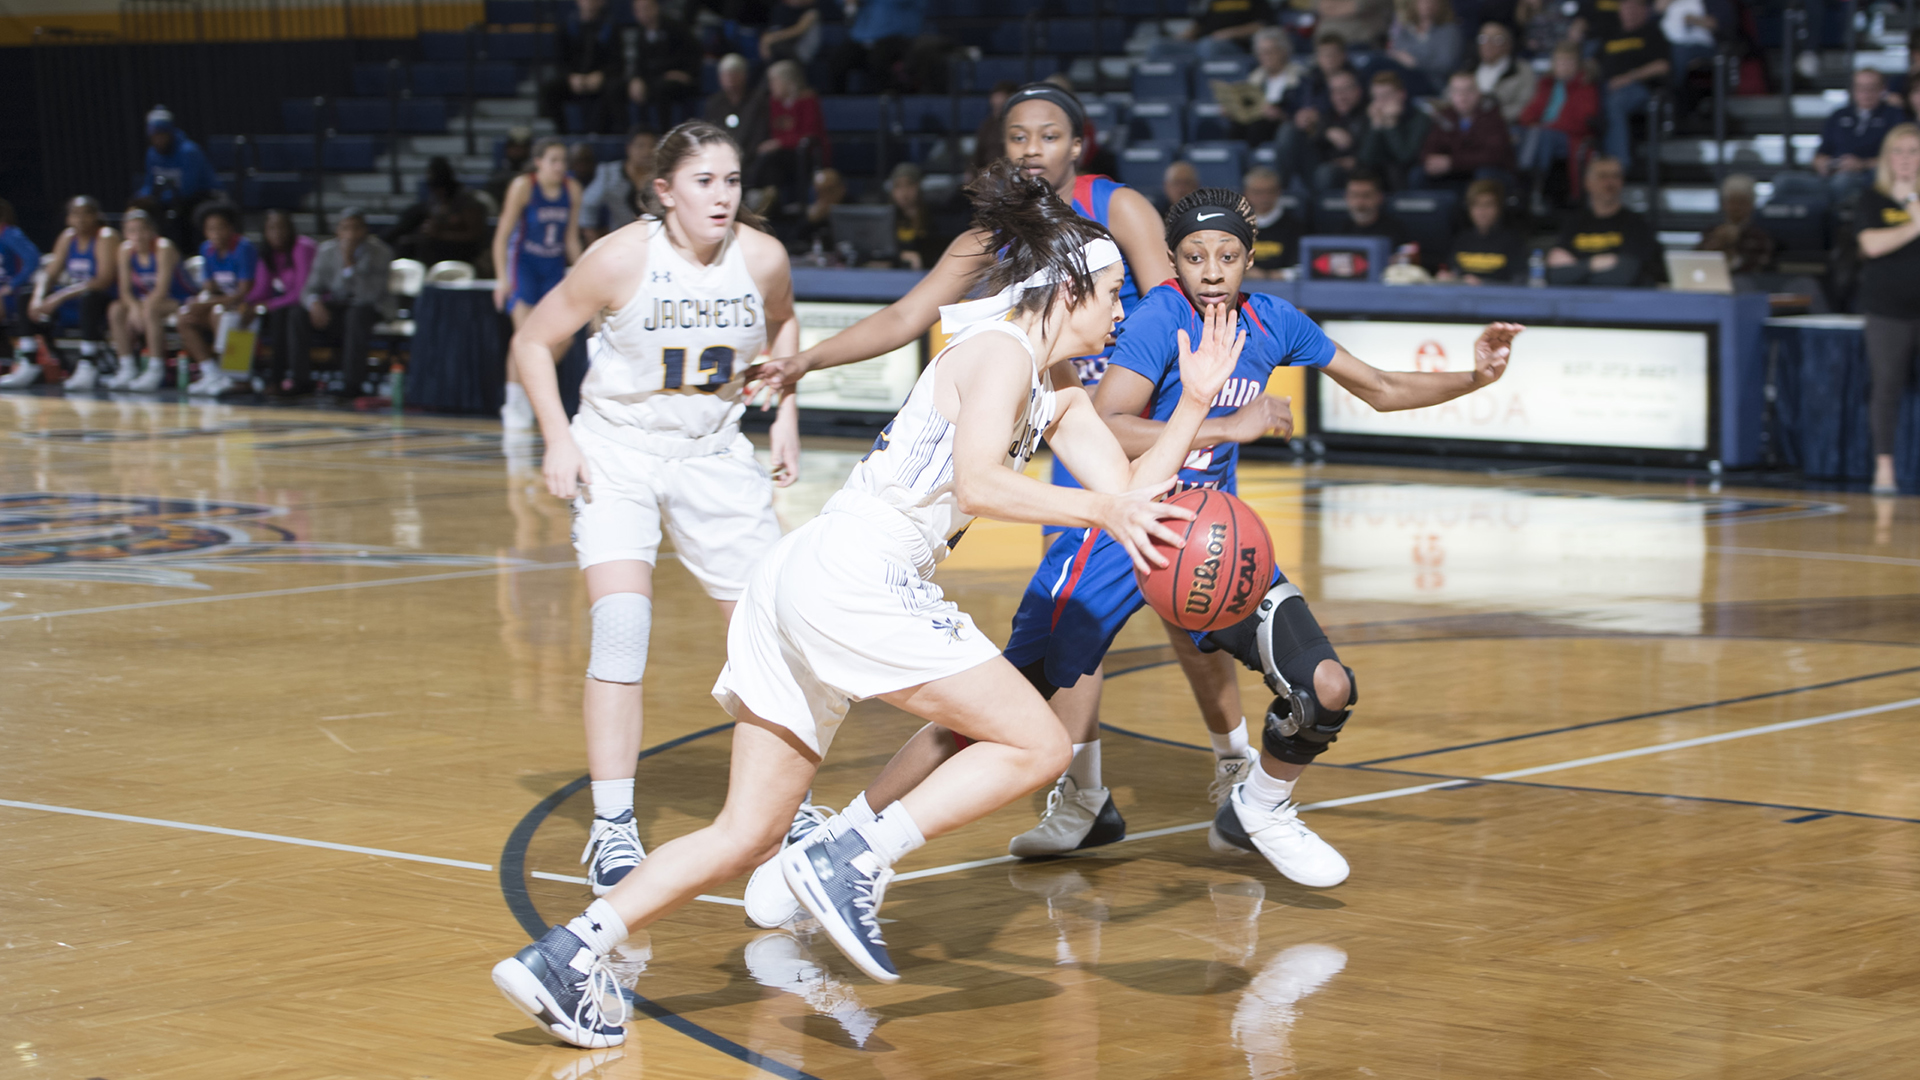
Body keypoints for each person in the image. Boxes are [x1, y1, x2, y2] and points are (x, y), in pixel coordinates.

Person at [491, 160, 1241, 1047]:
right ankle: (855, 856)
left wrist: (1192, 406)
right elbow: (981, 481)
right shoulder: (997, 349)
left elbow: (1131, 496)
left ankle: (568, 955)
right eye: (1114, 293)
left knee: (746, 831)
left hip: (805, 576)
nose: (1124, 312)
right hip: (859, 570)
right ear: (1067, 286)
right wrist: (1101, 507)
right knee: (1037, 741)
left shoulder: (1057, 387)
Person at [731, 189, 1523, 910]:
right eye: (1192, 257)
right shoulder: (1150, 320)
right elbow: (1104, 424)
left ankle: (1259, 806)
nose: (1210, 272)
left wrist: (1476, 379)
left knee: (1325, 684)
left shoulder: (1274, 321)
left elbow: (1381, 387)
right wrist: (1223, 424)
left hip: (1205, 535)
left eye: (1226, 256)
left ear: (1251, 259)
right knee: (986, 710)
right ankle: (850, 837)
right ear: (1171, 262)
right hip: (1113, 533)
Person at [747, 83, 1178, 774]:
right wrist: (808, 360)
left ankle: (1138, 780)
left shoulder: (1115, 208)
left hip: (1080, 410)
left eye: (1047, 134)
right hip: (926, 501)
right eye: (1017, 136)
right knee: (1061, 628)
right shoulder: (997, 295)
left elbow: (1165, 316)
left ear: (1078, 144)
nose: (1032, 147)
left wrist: (1185, 407)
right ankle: (1082, 790)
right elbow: (901, 318)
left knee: (1126, 605)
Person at [490, 120, 802, 911]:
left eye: (731, 180)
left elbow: (785, 323)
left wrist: (786, 412)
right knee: (622, 623)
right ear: (664, 190)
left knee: (771, 636)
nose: (722, 196)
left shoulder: (761, 257)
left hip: (713, 452)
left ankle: (779, 812)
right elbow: (533, 341)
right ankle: (613, 821)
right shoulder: (623, 257)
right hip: (619, 451)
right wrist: (557, 439)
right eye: (704, 182)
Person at [493, 139, 584, 429]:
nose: (560, 167)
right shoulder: (523, 187)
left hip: (553, 268)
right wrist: (501, 278)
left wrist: (585, 272)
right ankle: (516, 401)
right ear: (538, 162)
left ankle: (529, 388)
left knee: (564, 338)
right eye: (554, 160)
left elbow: (570, 238)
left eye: (563, 161)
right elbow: (502, 235)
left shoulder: (572, 190)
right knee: (523, 337)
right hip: (525, 266)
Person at [1856, 124, 1920, 495]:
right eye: (1899, 151)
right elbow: (1873, 246)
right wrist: (1915, 224)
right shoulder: (1872, 200)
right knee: (1886, 389)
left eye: (1913, 151)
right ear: (1887, 158)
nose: (1906, 159)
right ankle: (1884, 468)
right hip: (1886, 309)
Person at [10, 197, 119, 392]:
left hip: (102, 302)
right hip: (73, 302)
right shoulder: (68, 237)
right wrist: (38, 297)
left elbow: (103, 280)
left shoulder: (106, 237)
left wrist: (58, 297)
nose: (80, 219)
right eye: (75, 214)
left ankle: (89, 362)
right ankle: (29, 360)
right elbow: (48, 274)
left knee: (90, 298)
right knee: (25, 295)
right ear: (68, 218)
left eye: (86, 213)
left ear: (96, 216)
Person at [297, 208, 395, 400]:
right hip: (339, 307)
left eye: (355, 228)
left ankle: (352, 384)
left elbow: (370, 295)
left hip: (373, 308)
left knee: (356, 315)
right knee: (297, 314)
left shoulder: (381, 252)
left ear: (365, 230)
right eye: (345, 228)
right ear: (337, 231)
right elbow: (309, 289)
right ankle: (301, 381)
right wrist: (314, 303)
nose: (350, 234)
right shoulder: (326, 251)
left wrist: (349, 263)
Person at [104, 208, 191, 392]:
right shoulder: (125, 250)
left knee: (151, 310)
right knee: (116, 309)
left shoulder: (163, 247)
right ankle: (127, 366)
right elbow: (125, 290)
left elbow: (162, 289)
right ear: (125, 233)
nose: (138, 235)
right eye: (132, 231)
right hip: (148, 301)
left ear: (152, 230)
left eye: (142, 230)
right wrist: (135, 308)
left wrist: (141, 309)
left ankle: (156, 368)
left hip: (179, 299)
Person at [172, 202, 254, 396]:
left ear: (231, 228)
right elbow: (209, 287)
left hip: (249, 307)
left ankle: (232, 375)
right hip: (222, 303)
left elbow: (242, 293)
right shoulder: (206, 249)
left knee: (219, 314)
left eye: (220, 227)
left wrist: (207, 303)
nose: (215, 233)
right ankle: (211, 372)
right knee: (184, 317)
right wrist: (199, 303)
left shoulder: (244, 248)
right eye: (210, 229)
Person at [1546, 154, 1664, 285]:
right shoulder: (1574, 223)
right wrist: (1592, 264)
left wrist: (1576, 270)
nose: (1610, 182)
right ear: (1587, 183)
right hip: (1577, 302)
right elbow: (1554, 275)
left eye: (1615, 176)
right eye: (1603, 176)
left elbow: (1624, 276)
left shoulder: (1636, 224)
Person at [1516, 42, 1602, 208]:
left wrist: (1547, 126)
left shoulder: (1586, 86)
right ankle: (1522, 178)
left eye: (1568, 61)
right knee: (1518, 133)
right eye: (1560, 61)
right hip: (1541, 133)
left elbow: (1581, 122)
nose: (1563, 66)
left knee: (1542, 135)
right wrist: (1534, 123)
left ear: (1577, 64)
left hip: (1571, 138)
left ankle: (1531, 180)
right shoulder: (1547, 84)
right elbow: (1529, 113)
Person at [247, 209, 318, 395]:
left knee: (285, 314)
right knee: (250, 315)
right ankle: (241, 377)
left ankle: (298, 379)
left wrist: (267, 305)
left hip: (315, 306)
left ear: (291, 229)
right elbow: (260, 289)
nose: (277, 233)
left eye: (282, 227)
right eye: (271, 228)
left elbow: (301, 293)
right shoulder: (268, 254)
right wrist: (244, 305)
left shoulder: (302, 247)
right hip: (287, 308)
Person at [137, 106, 223, 250]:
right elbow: (150, 183)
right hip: (172, 199)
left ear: (170, 132)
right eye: (154, 135)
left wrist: (160, 197)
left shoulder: (188, 151)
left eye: (162, 134)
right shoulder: (152, 154)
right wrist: (141, 198)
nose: (158, 139)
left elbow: (188, 188)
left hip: (201, 197)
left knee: (183, 216)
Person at [1598, 0, 1670, 171]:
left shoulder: (1652, 32)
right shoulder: (1612, 35)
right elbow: (1595, 62)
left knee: (1615, 103)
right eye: (1625, 9)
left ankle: (1619, 165)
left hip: (1641, 89)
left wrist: (1628, 78)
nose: (1628, 13)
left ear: (1643, 11)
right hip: (1607, 87)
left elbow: (1663, 66)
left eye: (1633, 8)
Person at [1417, 71, 1517, 192]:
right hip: (1457, 174)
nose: (1462, 97)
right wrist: (1431, 161)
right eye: (1457, 91)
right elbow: (1428, 148)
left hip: (1488, 173)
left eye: (1468, 91)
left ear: (1478, 93)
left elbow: (1493, 156)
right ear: (1450, 94)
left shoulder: (1492, 117)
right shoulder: (1445, 116)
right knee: (1418, 175)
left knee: (1484, 175)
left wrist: (1452, 162)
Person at [747, 60, 830, 206]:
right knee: (766, 157)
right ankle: (763, 197)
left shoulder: (808, 101)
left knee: (775, 159)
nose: (771, 86)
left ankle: (766, 199)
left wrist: (780, 143)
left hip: (807, 154)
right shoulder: (774, 102)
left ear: (788, 81)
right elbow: (776, 132)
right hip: (784, 155)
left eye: (774, 81)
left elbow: (810, 135)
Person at [1815, 70, 1906, 201]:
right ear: (1853, 89)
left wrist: (1862, 164)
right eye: (1860, 87)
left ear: (1883, 89)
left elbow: (1901, 158)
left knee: (1843, 182)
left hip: (1867, 177)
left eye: (1872, 87)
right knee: (1786, 182)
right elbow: (1821, 154)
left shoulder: (1895, 116)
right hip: (1831, 176)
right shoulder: (1838, 115)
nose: (1866, 93)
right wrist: (1824, 164)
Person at [386, 156, 490, 270]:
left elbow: (475, 235)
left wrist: (442, 234)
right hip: (439, 244)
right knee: (406, 241)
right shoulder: (434, 201)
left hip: (464, 250)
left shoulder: (468, 201)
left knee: (427, 245)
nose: (436, 191)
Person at [1277, 68, 1371, 193]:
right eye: (1335, 91)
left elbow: (1375, 151)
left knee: (1326, 172)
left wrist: (1357, 160)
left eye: (1346, 89)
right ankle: (1278, 190)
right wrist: (1325, 131)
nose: (1341, 96)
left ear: (1358, 91)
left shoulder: (1370, 114)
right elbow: (1313, 140)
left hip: (1352, 175)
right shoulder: (1325, 114)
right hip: (1318, 170)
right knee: (1288, 130)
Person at [541, 0, 622, 134]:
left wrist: (601, 75)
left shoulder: (611, 27)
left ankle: (599, 135)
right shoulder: (566, 26)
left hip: (600, 80)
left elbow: (618, 63)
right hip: (574, 80)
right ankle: (562, 133)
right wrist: (570, 77)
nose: (590, 3)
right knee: (550, 89)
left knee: (613, 89)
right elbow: (560, 62)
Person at [622, 0, 701, 134]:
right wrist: (636, 79)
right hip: (654, 79)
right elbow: (639, 63)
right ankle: (638, 134)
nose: (643, 14)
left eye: (646, 8)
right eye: (639, 10)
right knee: (624, 88)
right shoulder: (641, 34)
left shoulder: (675, 27)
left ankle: (666, 134)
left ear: (656, 8)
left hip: (679, 80)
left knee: (662, 88)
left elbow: (694, 53)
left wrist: (687, 73)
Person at [824, 0, 925, 94]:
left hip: (896, 35)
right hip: (861, 36)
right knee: (838, 60)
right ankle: (840, 105)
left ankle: (886, 101)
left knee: (878, 59)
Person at [1439, 179, 1528, 282]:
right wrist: (1448, 277)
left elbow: (1520, 281)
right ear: (1468, 208)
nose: (1482, 211)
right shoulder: (1461, 240)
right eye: (1476, 205)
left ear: (1499, 208)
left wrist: (1484, 283)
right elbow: (1453, 270)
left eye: (1488, 205)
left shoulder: (1513, 241)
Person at [1358, 70, 1434, 190]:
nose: (1381, 102)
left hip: (1408, 173)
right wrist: (1376, 126)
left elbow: (1405, 157)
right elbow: (1365, 159)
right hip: (1378, 175)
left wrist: (1391, 125)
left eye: (1386, 95)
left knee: (1395, 169)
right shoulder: (1372, 117)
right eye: (1376, 97)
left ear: (1402, 94)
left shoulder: (1419, 119)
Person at [582, 130, 660, 244]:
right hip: (620, 241)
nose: (646, 151)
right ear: (629, 148)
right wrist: (593, 239)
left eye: (652, 146)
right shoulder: (609, 174)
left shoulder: (661, 176)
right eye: (640, 146)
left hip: (656, 242)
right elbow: (587, 203)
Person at [1233, 29, 1307, 146]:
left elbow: (1303, 110)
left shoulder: (1299, 77)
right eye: (1262, 53)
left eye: (1270, 52)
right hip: (1256, 123)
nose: (1266, 57)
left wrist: (1280, 115)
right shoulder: (1255, 78)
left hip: (1284, 126)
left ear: (1283, 52)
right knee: (1236, 125)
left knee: (1259, 125)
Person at [1697, 173, 1774, 275]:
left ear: (1751, 204)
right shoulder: (1711, 232)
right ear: (1724, 204)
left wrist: (1732, 248)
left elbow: (1760, 269)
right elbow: (1695, 263)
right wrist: (1715, 245)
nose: (1736, 208)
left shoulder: (1760, 237)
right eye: (1732, 202)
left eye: (1741, 202)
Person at [0, 198, 42, 385]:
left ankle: (14, 361)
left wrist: (12, 285)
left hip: (13, 296)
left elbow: (33, 260)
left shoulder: (10, 234)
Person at [1388, 0, 1464, 94]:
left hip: (1433, 84)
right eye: (1422, 1)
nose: (1428, 4)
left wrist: (1416, 63)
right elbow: (1395, 54)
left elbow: (1446, 65)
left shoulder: (1449, 31)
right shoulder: (1406, 31)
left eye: (1432, 1)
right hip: (1403, 79)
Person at [886, 163, 950, 270]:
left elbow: (938, 252)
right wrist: (900, 256)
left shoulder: (934, 217)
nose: (904, 192)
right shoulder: (886, 218)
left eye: (909, 185)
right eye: (898, 186)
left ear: (919, 186)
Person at [702, 54, 768, 157]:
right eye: (726, 75)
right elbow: (709, 133)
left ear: (744, 75)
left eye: (734, 74)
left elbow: (759, 135)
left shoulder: (757, 101)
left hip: (750, 157)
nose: (730, 79)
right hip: (721, 157)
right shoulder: (713, 103)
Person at [1472, 22, 1535, 125]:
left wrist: (1492, 117)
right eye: (1483, 39)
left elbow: (1527, 105)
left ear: (1508, 45)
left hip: (1506, 126)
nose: (1488, 44)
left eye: (1497, 40)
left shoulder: (1522, 70)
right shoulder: (1469, 69)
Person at [1243, 166, 1302, 277]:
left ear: (1278, 192)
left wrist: (1278, 275)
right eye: (1257, 192)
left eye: (1269, 191)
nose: (1264, 198)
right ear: (1247, 193)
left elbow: (1303, 267)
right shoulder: (1236, 227)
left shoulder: (1296, 227)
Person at [782, 166, 846, 256]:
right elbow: (793, 243)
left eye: (830, 190)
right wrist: (809, 221)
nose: (825, 196)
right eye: (820, 192)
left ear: (842, 189)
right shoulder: (813, 212)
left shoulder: (854, 209)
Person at [1182, 0, 1274, 58]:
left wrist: (1229, 33)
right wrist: (1181, 37)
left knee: (1207, 46)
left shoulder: (1255, 2)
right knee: (1168, 47)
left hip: (1237, 46)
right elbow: (1200, 24)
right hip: (1203, 42)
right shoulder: (1213, 2)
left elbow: (1261, 25)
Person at [969, 82, 1020, 175]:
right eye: (995, 107)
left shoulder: (1019, 125)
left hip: (1012, 173)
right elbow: (978, 153)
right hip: (989, 175)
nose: (997, 112)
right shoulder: (988, 124)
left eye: (1001, 107)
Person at [487, 128, 535, 207]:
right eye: (514, 147)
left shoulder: (536, 176)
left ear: (529, 149)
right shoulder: (498, 177)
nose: (517, 151)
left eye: (522, 148)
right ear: (507, 148)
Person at [1317, 0, 1394, 47]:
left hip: (1362, 44)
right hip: (1323, 45)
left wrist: (1332, 8)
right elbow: (1320, 5)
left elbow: (1355, 7)